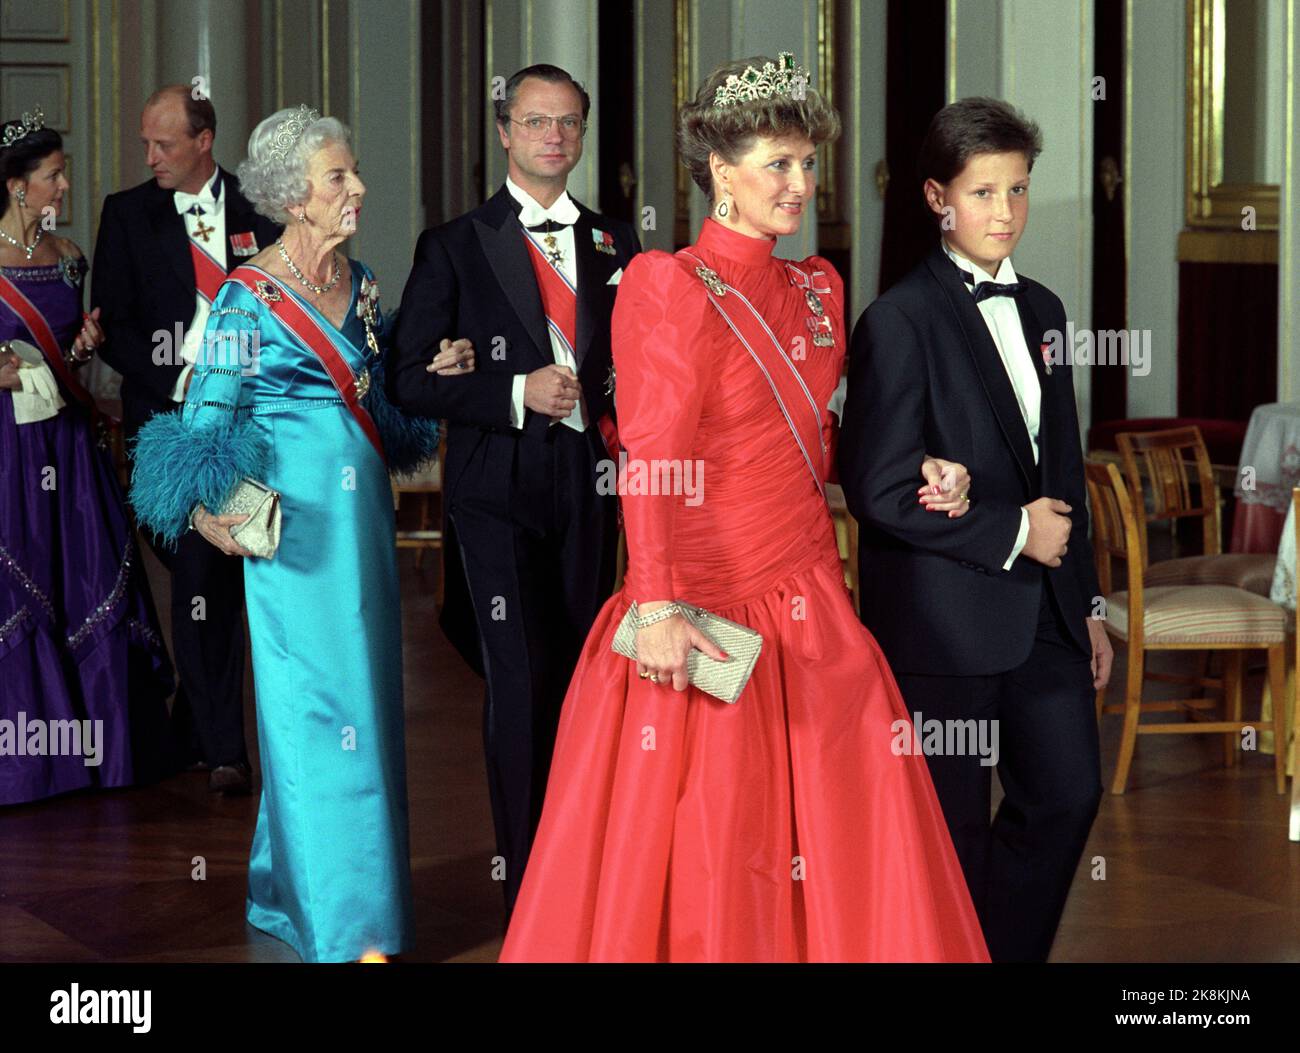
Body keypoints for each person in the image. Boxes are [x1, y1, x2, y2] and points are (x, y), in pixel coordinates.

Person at [499, 54, 988, 962]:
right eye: (778, 163)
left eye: (808, 164)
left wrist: (921, 464)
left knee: (845, 826)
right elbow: (653, 458)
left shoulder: (819, 290)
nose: (800, 184)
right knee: (722, 846)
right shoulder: (666, 284)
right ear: (721, 169)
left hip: (812, 599)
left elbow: (813, 440)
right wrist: (655, 606)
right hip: (702, 603)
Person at [129, 106, 447, 963]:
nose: (358, 189)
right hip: (294, 537)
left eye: (352, 173)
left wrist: (429, 382)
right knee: (315, 717)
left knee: (368, 714)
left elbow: (377, 407)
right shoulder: (244, 297)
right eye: (339, 176)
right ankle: (345, 927)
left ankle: (292, 888)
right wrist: (220, 517)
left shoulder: (364, 281)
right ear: (292, 195)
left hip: (363, 526)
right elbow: (200, 424)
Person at [837, 97, 1112, 962]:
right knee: (950, 831)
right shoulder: (899, 321)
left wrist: (1090, 600)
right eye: (984, 191)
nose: (1005, 212)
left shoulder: (1047, 311)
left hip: (1049, 616)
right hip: (942, 623)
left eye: (1019, 190)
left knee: (1068, 795)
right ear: (936, 197)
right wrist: (1008, 532)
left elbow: (1064, 470)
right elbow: (876, 484)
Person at [388, 63, 640, 917]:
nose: (554, 137)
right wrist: (510, 390)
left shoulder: (617, 245)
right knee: (519, 676)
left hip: (589, 484)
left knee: (576, 673)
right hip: (495, 485)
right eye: (536, 122)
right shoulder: (454, 243)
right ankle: (528, 881)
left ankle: (577, 862)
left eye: (568, 122)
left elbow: (641, 368)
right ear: (504, 131)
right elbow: (407, 380)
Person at [92, 85, 281, 795]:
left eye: (163, 144)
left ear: (204, 140)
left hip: (255, 429)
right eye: (146, 143)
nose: (150, 157)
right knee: (204, 571)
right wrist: (185, 378)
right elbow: (111, 328)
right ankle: (225, 748)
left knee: (222, 581)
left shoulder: (261, 210)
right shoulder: (128, 214)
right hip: (170, 434)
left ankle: (200, 734)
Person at [0, 107, 173, 805]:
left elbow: (68, 353)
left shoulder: (69, 257)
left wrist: (82, 347)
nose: (64, 186)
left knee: (86, 573)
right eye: (51, 176)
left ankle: (101, 753)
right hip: (9, 449)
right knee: (23, 578)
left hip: (68, 443)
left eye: (62, 173)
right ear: (17, 187)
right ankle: (30, 761)